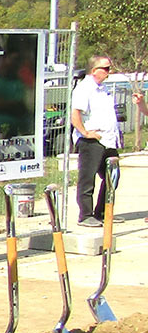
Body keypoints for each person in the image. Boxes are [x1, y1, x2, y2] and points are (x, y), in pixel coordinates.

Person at [71, 55, 120, 227]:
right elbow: (75, 114)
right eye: (105, 69)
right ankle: (85, 215)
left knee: (112, 176)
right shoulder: (84, 88)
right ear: (94, 71)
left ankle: (102, 212)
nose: (109, 72)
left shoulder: (102, 88)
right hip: (92, 141)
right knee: (87, 178)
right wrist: (84, 132)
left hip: (108, 140)